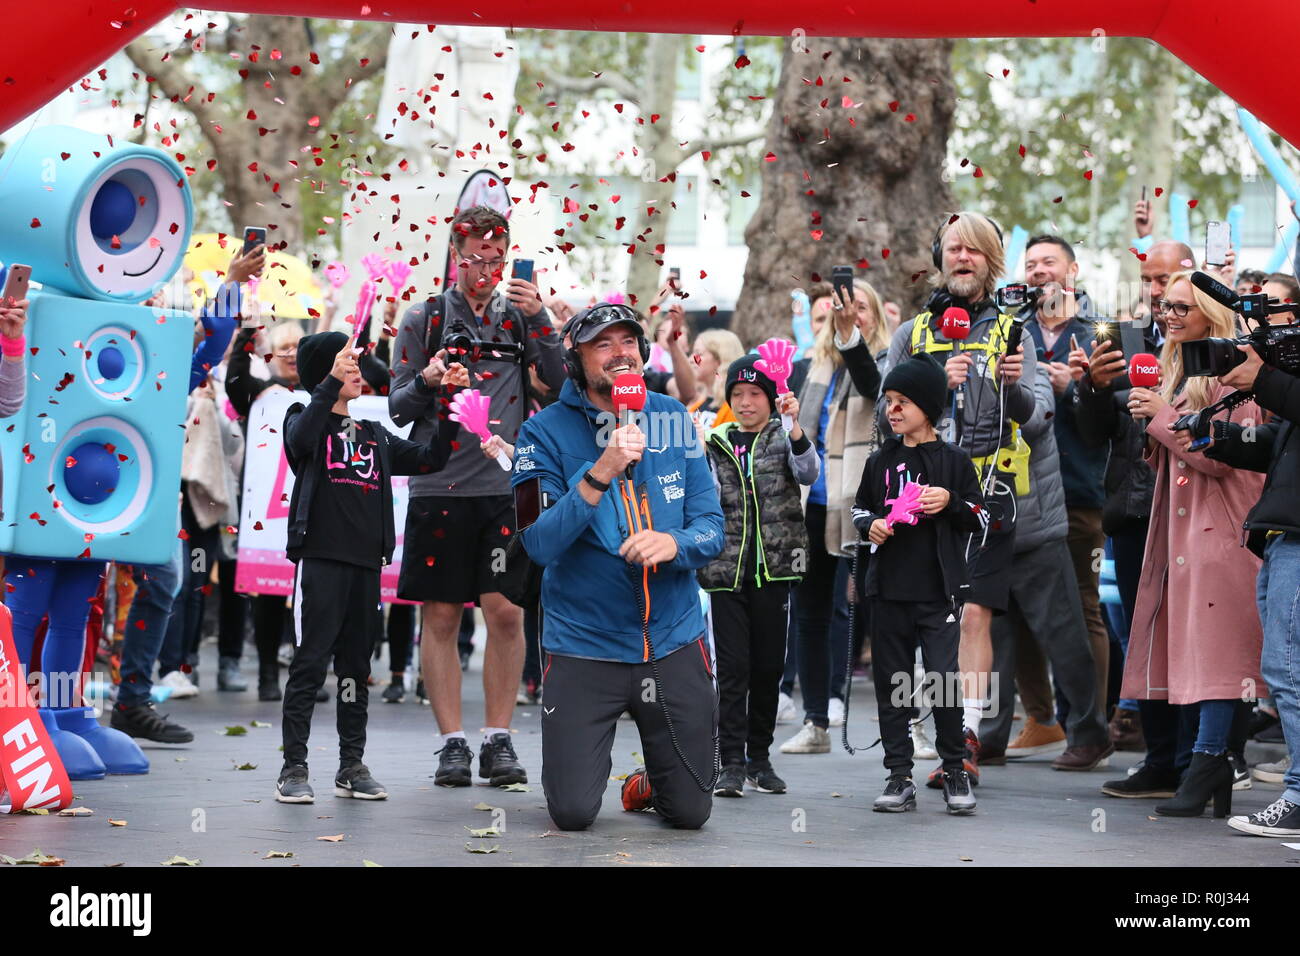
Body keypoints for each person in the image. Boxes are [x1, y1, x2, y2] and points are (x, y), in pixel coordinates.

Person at [511, 303, 724, 830]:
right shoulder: (540, 433)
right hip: (584, 643)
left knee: (691, 813)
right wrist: (601, 469)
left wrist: (675, 544)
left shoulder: (672, 418)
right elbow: (537, 542)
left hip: (673, 637)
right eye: (602, 344)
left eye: (627, 341)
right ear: (575, 359)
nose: (619, 353)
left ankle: (652, 781)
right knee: (573, 813)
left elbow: (713, 527)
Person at [389, 205, 564, 788]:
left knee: (507, 613)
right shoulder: (425, 317)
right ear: (454, 255)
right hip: (439, 485)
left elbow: (562, 383)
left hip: (504, 487)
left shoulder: (520, 318)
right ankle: (450, 743)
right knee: (440, 614)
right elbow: (397, 407)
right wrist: (429, 381)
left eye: (495, 258)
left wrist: (541, 320)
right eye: (474, 259)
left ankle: (498, 738)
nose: (485, 270)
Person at [274, 331, 466, 804]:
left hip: (365, 568)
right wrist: (325, 387)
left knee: (356, 671)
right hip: (319, 564)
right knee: (309, 665)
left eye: (357, 362)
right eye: (347, 363)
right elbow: (301, 441)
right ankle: (293, 767)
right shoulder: (303, 419)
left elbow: (431, 458)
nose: (359, 370)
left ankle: (351, 764)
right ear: (325, 371)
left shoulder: (374, 435)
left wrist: (449, 398)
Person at [883, 211, 1036, 786]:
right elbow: (883, 416)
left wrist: (1014, 387)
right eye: (953, 248)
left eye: (974, 249)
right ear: (940, 256)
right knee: (936, 616)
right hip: (919, 495)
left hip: (989, 494)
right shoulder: (912, 333)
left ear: (991, 260)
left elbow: (1038, 418)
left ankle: (966, 735)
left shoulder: (1014, 331)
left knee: (974, 615)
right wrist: (929, 389)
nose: (962, 257)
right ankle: (941, 728)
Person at [1119, 271, 1266, 818]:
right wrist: (1158, 416)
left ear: (1211, 314)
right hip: (1189, 533)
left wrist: (1158, 416)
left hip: (1224, 534)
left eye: (1182, 306)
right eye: (1164, 306)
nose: (1170, 315)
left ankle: (1210, 759)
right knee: (1201, 650)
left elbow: (1220, 456)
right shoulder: (1186, 374)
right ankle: (1212, 765)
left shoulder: (1239, 376)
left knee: (1218, 654)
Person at [986, 235, 1111, 765]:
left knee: (1075, 616)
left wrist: (1074, 390)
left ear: (1073, 270)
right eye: (1030, 264)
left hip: (1076, 494)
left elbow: (1111, 424)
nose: (1038, 272)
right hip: (1006, 494)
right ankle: (1036, 720)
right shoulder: (1011, 329)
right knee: (1002, 619)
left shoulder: (1101, 332)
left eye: (1049, 262)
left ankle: (1092, 727)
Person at [853, 353, 986, 813]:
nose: (893, 409)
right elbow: (859, 509)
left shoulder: (954, 462)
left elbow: (980, 516)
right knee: (893, 683)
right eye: (889, 401)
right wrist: (870, 524)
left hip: (939, 594)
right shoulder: (879, 461)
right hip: (887, 590)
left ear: (929, 408)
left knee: (944, 680)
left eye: (903, 401)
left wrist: (950, 501)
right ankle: (898, 776)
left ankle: (954, 769)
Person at [700, 356, 818, 797]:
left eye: (755, 394)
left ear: (770, 399)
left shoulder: (782, 436)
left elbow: (809, 472)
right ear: (728, 400)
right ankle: (730, 761)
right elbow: (703, 494)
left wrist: (795, 427)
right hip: (726, 571)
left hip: (776, 569)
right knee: (732, 669)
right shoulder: (714, 440)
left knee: (768, 668)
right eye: (738, 395)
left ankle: (760, 759)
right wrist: (694, 448)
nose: (746, 403)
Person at [1203, 329, 1300, 834]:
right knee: (1283, 667)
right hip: (1284, 532)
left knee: (1288, 668)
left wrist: (1263, 377)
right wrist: (1218, 438)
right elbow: (1279, 445)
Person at [779, 278, 882, 754]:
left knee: (877, 614)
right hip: (812, 504)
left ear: (875, 315)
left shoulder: (884, 361)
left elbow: (874, 391)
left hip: (865, 506)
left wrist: (849, 337)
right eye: (843, 306)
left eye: (861, 307)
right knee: (811, 613)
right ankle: (815, 719)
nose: (852, 312)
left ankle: (898, 729)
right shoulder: (809, 367)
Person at [227, 314, 306, 700]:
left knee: (309, 591)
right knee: (270, 593)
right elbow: (235, 381)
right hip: (267, 509)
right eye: (284, 347)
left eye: (298, 347)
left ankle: (304, 671)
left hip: (309, 505)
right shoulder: (260, 393)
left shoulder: (323, 392)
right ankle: (267, 674)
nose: (291, 355)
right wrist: (245, 334)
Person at [687, 328, 745, 429]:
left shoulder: (736, 410)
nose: (690, 359)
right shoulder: (695, 407)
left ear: (720, 360)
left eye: (699, 354)